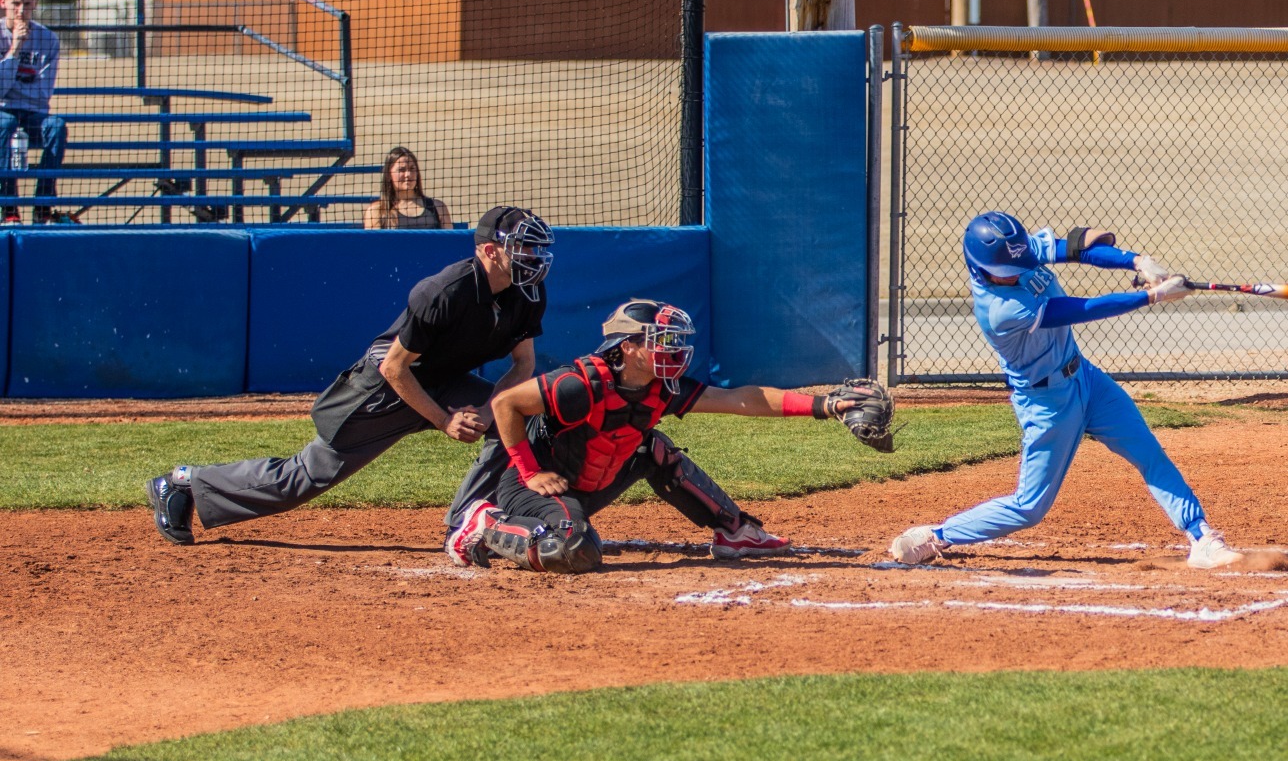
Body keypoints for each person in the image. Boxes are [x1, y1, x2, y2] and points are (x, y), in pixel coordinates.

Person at [146, 206, 555, 544]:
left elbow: (523, 364)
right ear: (488, 250)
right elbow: (393, 367)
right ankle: (183, 483)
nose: (533, 256)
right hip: (386, 388)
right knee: (304, 478)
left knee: (516, 417)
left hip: (443, 380)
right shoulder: (443, 292)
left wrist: (488, 409)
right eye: (522, 247)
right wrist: (443, 419)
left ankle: (468, 521)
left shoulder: (528, 292)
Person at [888, 212, 1243, 570]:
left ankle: (1201, 538)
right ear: (983, 267)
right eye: (1010, 269)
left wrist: (1137, 261)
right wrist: (1152, 296)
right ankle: (937, 534)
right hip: (1047, 404)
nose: (1018, 270)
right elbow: (1078, 309)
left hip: (1086, 378)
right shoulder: (999, 309)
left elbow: (1079, 247)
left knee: (1149, 453)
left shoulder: (1015, 253)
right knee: (1029, 507)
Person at [448, 299, 894, 571]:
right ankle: (483, 524)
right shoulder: (583, 382)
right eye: (661, 341)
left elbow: (742, 399)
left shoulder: (664, 387)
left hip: (590, 483)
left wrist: (824, 405)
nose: (673, 350)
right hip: (537, 486)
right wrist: (529, 472)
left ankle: (734, 530)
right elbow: (506, 405)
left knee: (651, 447)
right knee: (575, 549)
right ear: (628, 347)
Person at [0, 0, 66, 224]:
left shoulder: (48, 39)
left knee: (56, 126)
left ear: (35, 3)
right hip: (3, 112)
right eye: (15, 3)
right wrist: (15, 49)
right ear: (3, 2)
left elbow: (42, 93)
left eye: (27, 4)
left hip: (32, 111)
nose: (21, 11)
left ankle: (42, 205)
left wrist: (12, 87)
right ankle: (9, 208)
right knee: (3, 124)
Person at [363, 146, 451, 229]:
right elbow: (372, 244)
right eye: (401, 170)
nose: (408, 175)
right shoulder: (376, 211)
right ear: (389, 174)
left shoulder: (438, 208)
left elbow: (451, 243)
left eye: (412, 169)